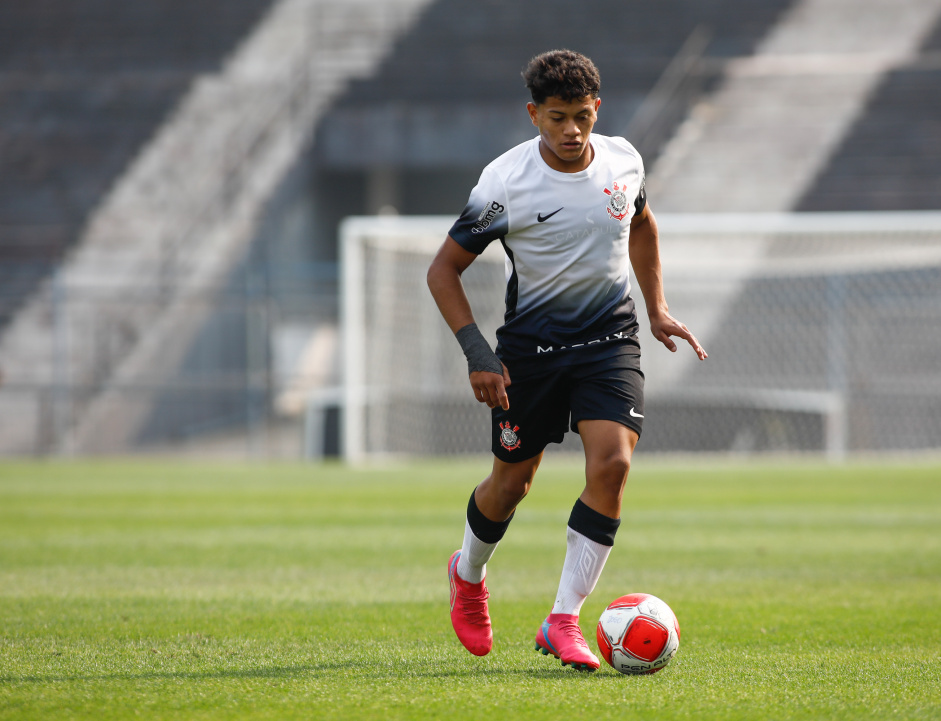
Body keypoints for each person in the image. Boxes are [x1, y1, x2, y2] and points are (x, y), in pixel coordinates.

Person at [426, 49, 707, 671]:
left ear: (597, 109)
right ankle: (467, 574)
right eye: (557, 118)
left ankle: (563, 619)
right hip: (530, 353)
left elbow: (642, 224)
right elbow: (443, 270)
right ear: (534, 115)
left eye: (581, 115)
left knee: (612, 464)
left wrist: (657, 307)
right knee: (511, 484)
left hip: (610, 341)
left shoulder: (624, 160)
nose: (572, 130)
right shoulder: (504, 184)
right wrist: (478, 353)